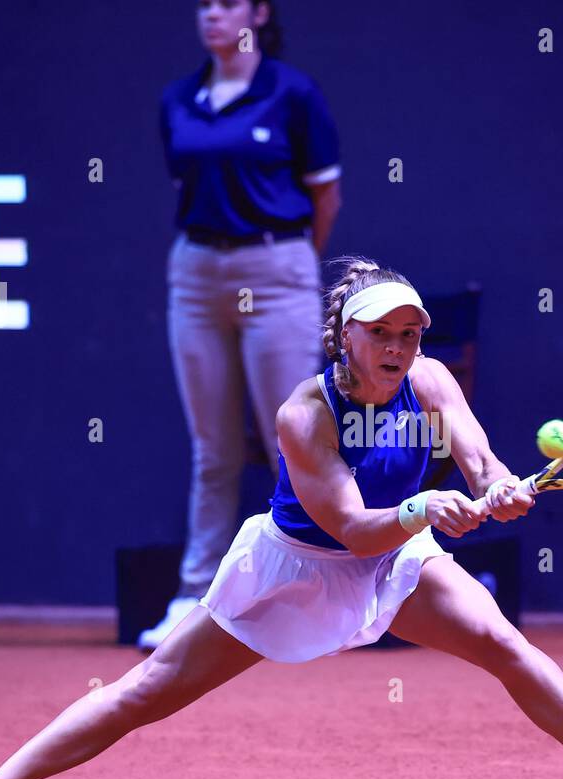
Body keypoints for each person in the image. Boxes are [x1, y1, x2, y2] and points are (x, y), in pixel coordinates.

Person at [0, 259, 563, 779]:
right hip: (294, 570)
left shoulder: (435, 384)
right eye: (380, 333)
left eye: (410, 334)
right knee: (145, 690)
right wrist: (423, 507)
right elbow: (350, 526)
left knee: (505, 645)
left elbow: (480, 464)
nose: (399, 347)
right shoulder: (304, 414)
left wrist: (502, 490)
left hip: (396, 565)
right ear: (345, 336)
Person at [140, 0, 343, 648]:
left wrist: (289, 269)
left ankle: (324, 593)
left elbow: (325, 197)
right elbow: (188, 184)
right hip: (196, 274)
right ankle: (194, 599)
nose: (212, 16)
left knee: (296, 438)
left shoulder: (293, 93)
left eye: (227, 3)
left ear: (258, 11)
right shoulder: (178, 99)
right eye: (203, 5)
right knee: (214, 450)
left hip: (277, 270)